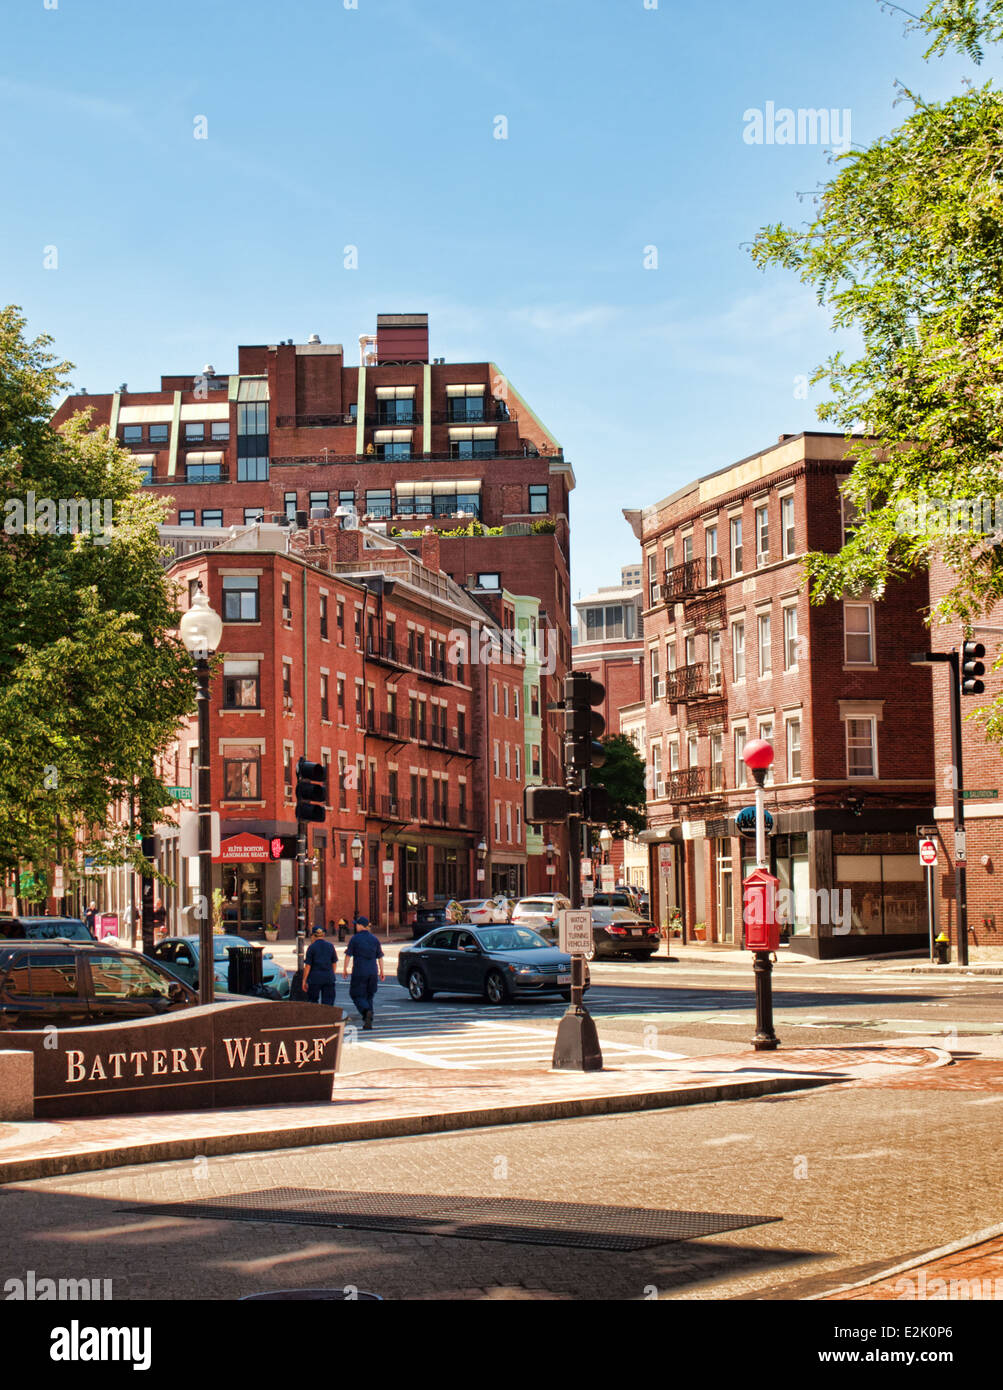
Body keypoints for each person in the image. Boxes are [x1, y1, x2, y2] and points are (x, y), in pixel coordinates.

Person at [343, 916, 383, 1029]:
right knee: (369, 995)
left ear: (361, 926)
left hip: (360, 970)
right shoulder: (375, 939)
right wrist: (381, 971)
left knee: (356, 994)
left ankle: (366, 1011)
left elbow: (348, 955)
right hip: (373, 971)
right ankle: (368, 1021)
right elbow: (380, 956)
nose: (355, 926)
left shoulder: (355, 939)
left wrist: (345, 969)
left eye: (357, 924)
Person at [303, 925, 338, 1006]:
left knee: (313, 1002)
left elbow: (308, 966)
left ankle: (315, 1017)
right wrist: (332, 974)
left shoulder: (311, 947)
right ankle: (327, 1017)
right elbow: (334, 963)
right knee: (328, 1002)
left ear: (313, 936)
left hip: (315, 978)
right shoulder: (330, 946)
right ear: (323, 935)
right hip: (328, 977)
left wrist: (304, 980)